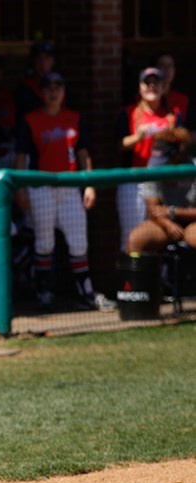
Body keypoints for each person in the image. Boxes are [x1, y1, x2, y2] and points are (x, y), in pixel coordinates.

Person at [14, 72, 115, 312]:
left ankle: (86, 293)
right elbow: (21, 157)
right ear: (42, 92)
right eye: (48, 88)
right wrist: (20, 190)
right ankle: (44, 292)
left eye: (57, 87)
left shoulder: (74, 118)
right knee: (44, 243)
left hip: (70, 185)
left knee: (78, 242)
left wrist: (89, 183)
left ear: (64, 91)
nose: (53, 92)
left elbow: (83, 153)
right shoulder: (31, 119)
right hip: (41, 186)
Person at [116, 67, 190, 250]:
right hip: (135, 179)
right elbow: (119, 145)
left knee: (160, 232)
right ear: (139, 87)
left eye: (156, 83)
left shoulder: (173, 114)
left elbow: (184, 144)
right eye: (147, 83)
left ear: (164, 87)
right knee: (132, 234)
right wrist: (138, 137)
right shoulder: (129, 112)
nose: (151, 87)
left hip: (163, 183)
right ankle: (130, 278)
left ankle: (162, 275)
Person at [125, 151, 196, 254]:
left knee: (193, 238)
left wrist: (173, 211)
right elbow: (152, 209)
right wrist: (168, 225)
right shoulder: (155, 167)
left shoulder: (193, 166)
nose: (163, 164)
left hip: (192, 221)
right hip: (165, 223)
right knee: (136, 239)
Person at [14, 41, 56, 126]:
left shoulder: (61, 88)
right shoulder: (24, 89)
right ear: (33, 61)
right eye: (39, 58)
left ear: (53, 61)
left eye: (47, 58)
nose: (43, 63)